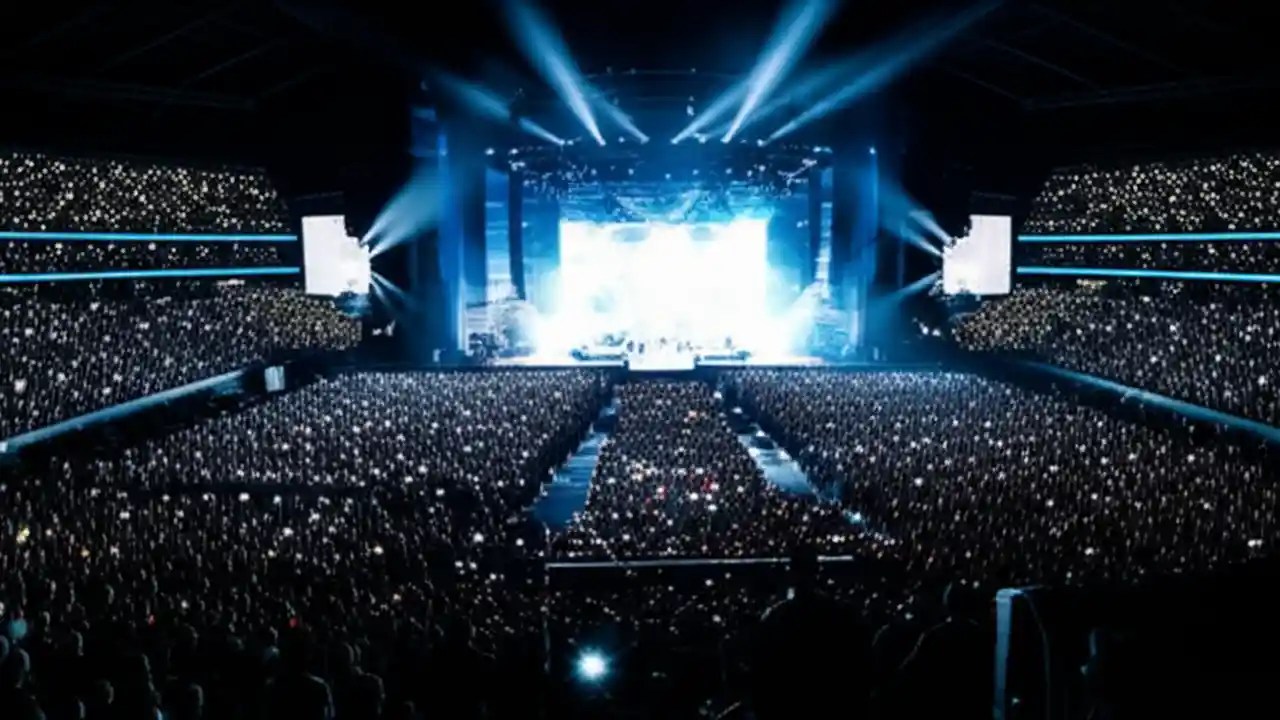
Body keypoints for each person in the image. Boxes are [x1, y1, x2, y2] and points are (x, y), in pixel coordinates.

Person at [751, 545, 871, 719]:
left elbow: (762, 676)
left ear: (790, 573)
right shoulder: (841, 613)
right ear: (817, 571)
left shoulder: (775, 617)